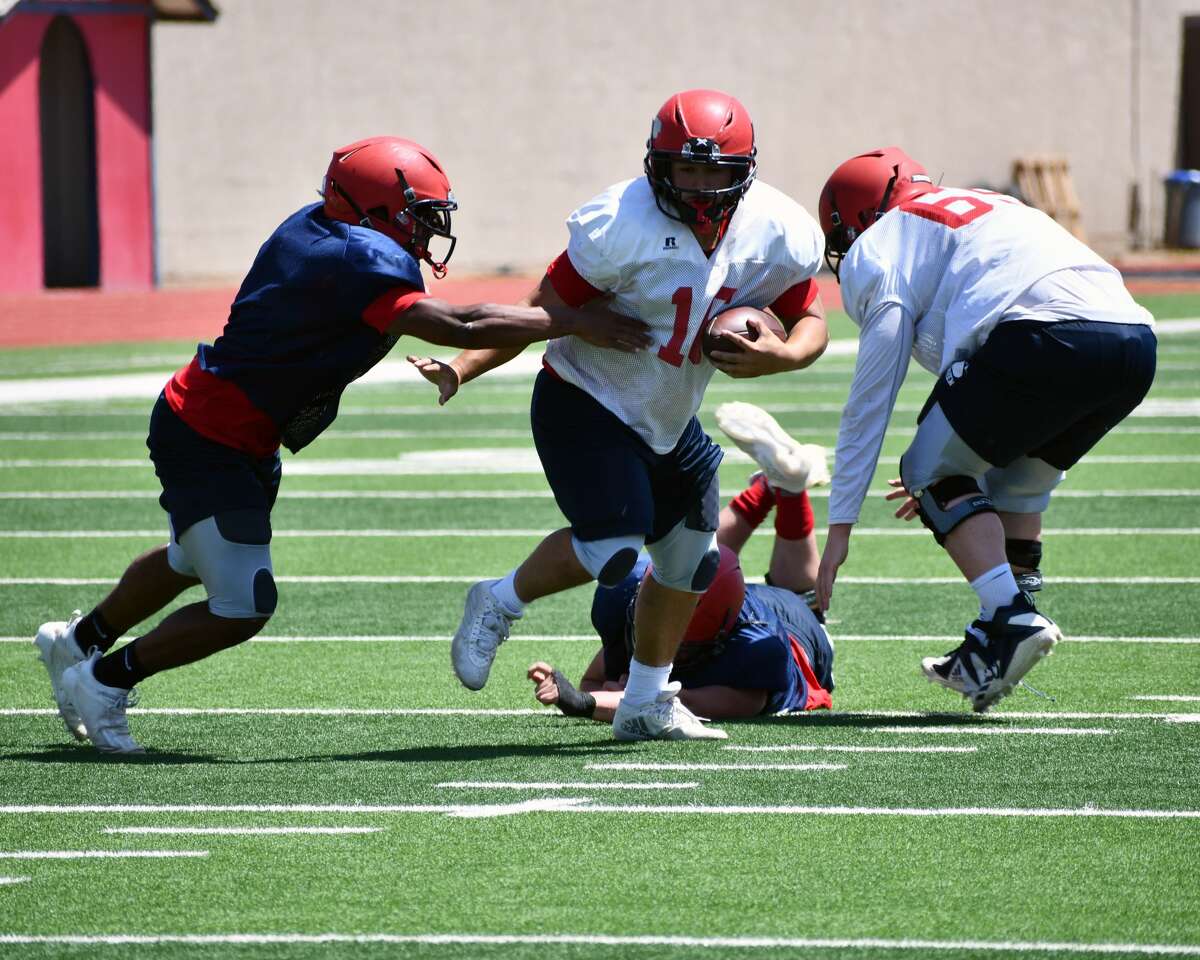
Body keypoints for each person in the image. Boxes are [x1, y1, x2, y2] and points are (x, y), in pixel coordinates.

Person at [33, 135, 650, 754]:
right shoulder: (359, 259)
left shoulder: (323, 227)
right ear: (372, 210)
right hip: (211, 434)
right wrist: (570, 320)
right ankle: (104, 680)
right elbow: (459, 324)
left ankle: (81, 639)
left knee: (191, 559)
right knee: (243, 604)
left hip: (223, 422)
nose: (429, 226)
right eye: (417, 213)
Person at [413, 89, 828, 741]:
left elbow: (809, 318)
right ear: (658, 165)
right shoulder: (621, 226)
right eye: (685, 168)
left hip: (667, 414)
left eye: (713, 171)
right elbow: (540, 304)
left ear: (742, 170)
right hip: (584, 396)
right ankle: (498, 601)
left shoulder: (775, 229)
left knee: (692, 560)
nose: (697, 185)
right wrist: (464, 367)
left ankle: (644, 703)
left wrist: (782, 358)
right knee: (613, 540)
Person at [813, 147, 1156, 712]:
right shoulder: (987, 205)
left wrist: (843, 523)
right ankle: (1000, 641)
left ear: (851, 222)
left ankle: (1010, 615)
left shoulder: (878, 246)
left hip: (1045, 339)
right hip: (1133, 342)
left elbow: (871, 396)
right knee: (1017, 481)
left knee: (928, 469)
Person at [528, 431, 835, 723]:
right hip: (730, 601)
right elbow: (596, 681)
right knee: (695, 559)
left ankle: (782, 488)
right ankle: (778, 485)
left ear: (720, 640)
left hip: (795, 629)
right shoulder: (636, 600)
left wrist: (584, 700)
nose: (670, 645)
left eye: (682, 643)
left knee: (804, 603)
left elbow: (659, 704)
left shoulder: (758, 653)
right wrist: (604, 692)